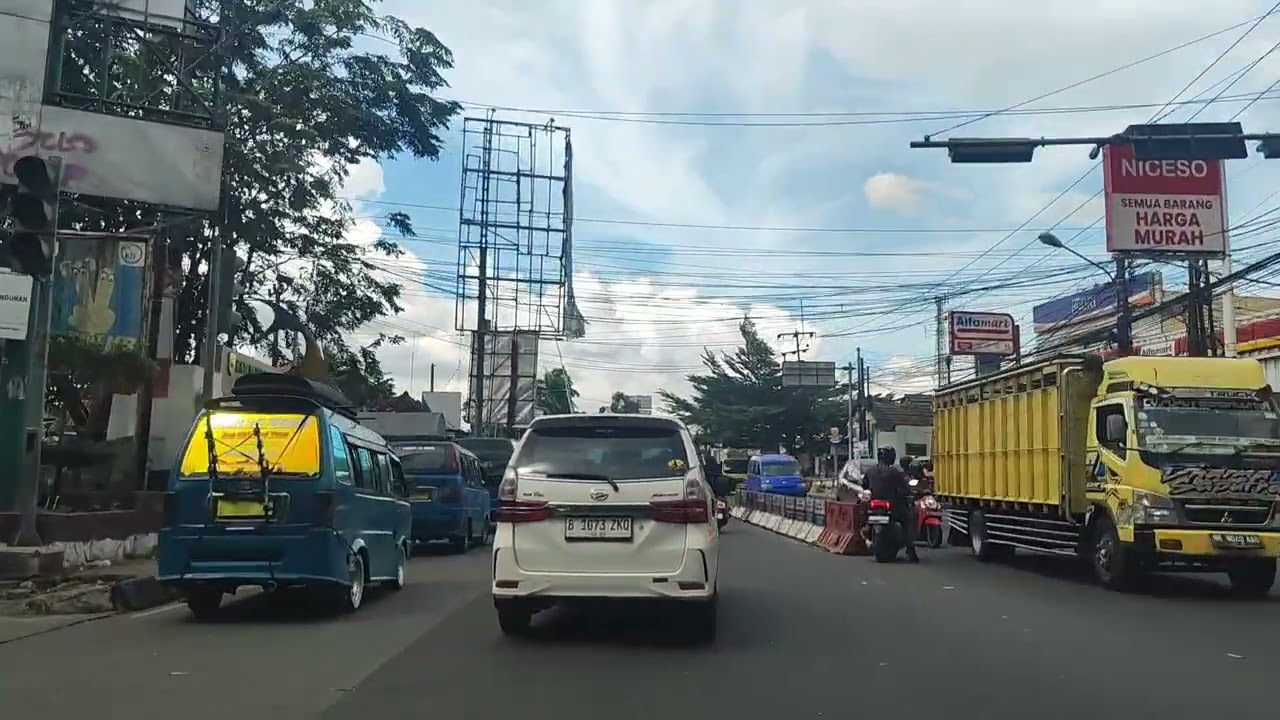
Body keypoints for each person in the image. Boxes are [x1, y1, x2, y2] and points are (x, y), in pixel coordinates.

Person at [865, 446, 919, 562]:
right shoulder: (895, 471)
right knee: (906, 522)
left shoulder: (871, 470)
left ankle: (868, 531)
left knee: (866, 517)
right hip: (893, 504)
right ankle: (910, 550)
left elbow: (864, 485)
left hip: (875, 504)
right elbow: (904, 488)